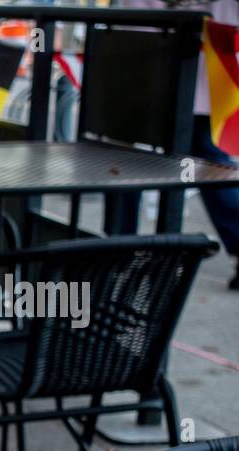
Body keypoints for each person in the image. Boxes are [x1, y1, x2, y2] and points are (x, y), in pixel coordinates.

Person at [112, 1, 239, 289]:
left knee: (123, 160)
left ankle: (119, 249)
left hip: (174, 69)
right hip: (180, 70)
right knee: (209, 166)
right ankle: (118, 249)